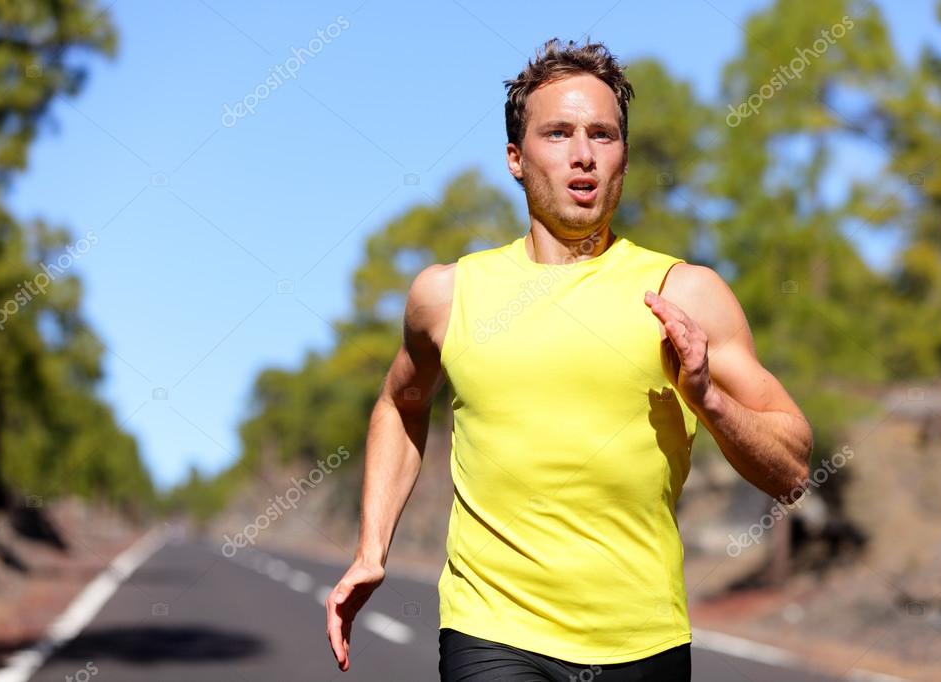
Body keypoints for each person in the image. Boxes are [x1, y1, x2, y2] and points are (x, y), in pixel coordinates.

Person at [326, 37, 813, 681]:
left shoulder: (682, 293)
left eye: (602, 136)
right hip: (491, 629)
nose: (583, 155)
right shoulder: (448, 296)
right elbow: (401, 402)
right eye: (558, 133)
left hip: (642, 643)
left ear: (625, 158)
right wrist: (371, 548)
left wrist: (710, 399)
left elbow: (794, 469)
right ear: (515, 159)